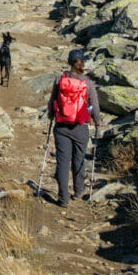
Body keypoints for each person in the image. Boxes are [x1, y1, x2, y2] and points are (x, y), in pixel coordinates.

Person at [47, 49, 101, 206]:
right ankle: (78, 190)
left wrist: (51, 115)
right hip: (80, 127)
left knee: (62, 162)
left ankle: (63, 199)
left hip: (61, 126)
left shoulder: (60, 79)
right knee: (79, 159)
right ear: (82, 62)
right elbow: (95, 107)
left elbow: (52, 102)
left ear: (69, 62)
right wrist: (97, 121)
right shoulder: (88, 83)